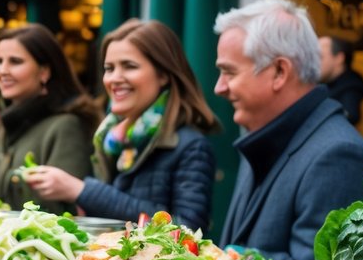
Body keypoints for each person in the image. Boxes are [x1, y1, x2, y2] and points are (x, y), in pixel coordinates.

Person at [214, 0, 363, 260]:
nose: (219, 88)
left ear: (279, 71)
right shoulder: (265, 133)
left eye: (229, 72)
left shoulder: (337, 155)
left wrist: (221, 259)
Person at [24, 19, 220, 232]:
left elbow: (188, 230)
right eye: (109, 68)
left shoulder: (191, 146)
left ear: (163, 74)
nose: (114, 78)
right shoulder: (110, 140)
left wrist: (82, 191)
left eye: (129, 66)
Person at [0, 24, 101, 214]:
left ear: (44, 71)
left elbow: (61, 214)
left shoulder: (67, 126)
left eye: (15, 61)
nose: (3, 71)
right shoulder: (7, 124)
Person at [318, 35, 363, 125]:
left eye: (320, 57)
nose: (315, 63)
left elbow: (350, 116)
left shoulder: (352, 86)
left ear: (339, 58)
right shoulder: (318, 83)